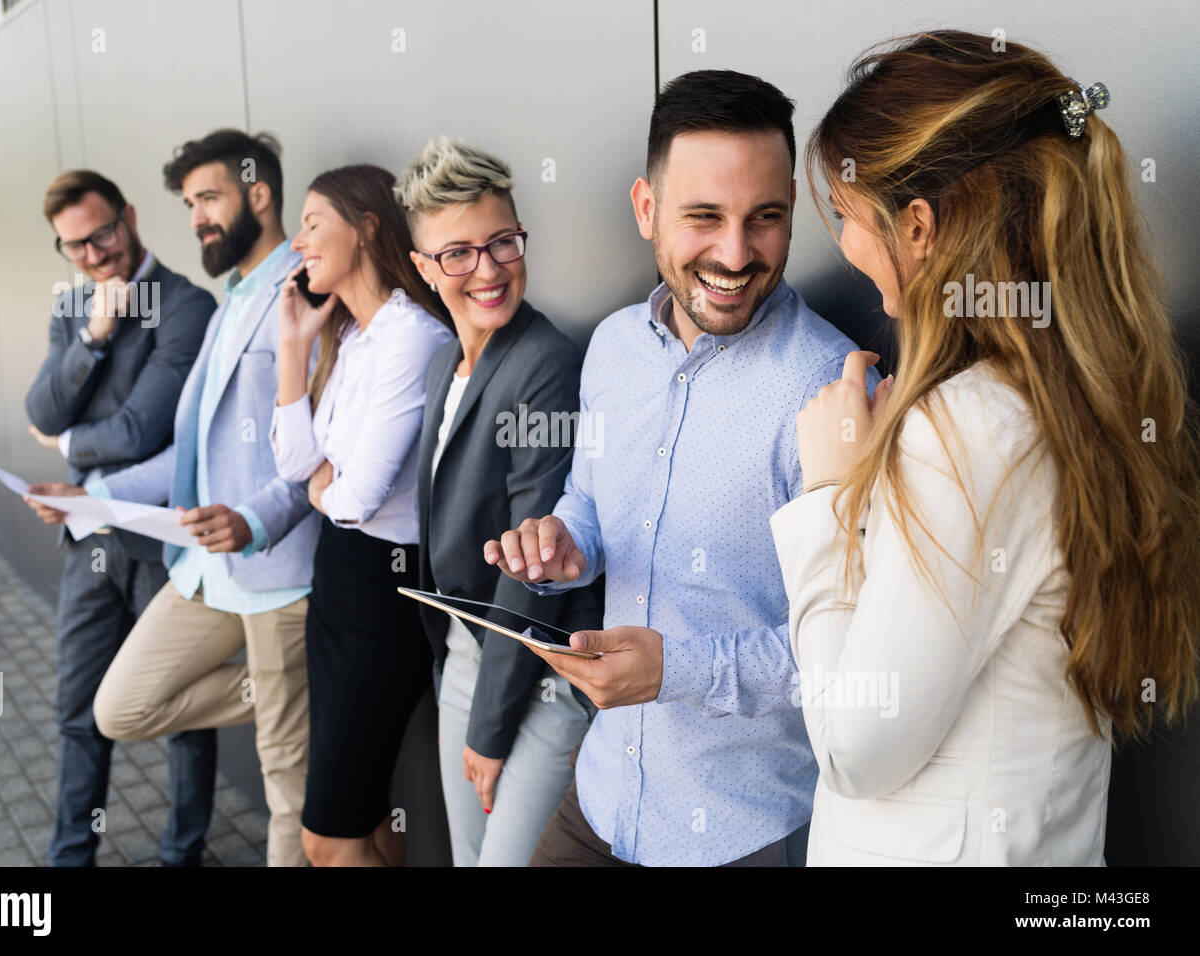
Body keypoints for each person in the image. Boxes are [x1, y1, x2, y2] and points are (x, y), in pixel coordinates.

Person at [766, 30, 1200, 865]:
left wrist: (828, 498)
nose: (844, 246)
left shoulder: (963, 431)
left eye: (849, 217)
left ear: (918, 227)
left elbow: (856, 748)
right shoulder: (1071, 399)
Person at [486, 70, 879, 866]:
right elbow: (588, 497)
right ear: (646, 209)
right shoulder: (612, 349)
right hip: (601, 796)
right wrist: (566, 544)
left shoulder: (838, 393)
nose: (735, 254)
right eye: (704, 216)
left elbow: (853, 654)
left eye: (765, 218)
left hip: (746, 831)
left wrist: (677, 671)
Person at [85, 129, 321, 867]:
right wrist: (90, 495)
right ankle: (304, 686)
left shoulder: (306, 288)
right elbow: (186, 453)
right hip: (207, 573)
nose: (197, 219)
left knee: (286, 786)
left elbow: (326, 447)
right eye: (190, 205)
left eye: (209, 198)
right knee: (121, 706)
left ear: (260, 194)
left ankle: (297, 690)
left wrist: (254, 517)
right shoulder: (230, 304)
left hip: (279, 573)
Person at [398, 136, 604, 866]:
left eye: (502, 243)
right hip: (466, 651)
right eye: (458, 253)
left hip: (535, 671)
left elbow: (532, 563)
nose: (487, 270)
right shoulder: (443, 366)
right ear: (425, 268)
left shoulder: (544, 363)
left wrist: (488, 732)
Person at [23, 169, 217, 867]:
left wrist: (66, 446)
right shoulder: (74, 308)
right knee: (77, 709)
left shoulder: (187, 306)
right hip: (88, 541)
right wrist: (96, 334)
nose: (94, 254)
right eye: (75, 245)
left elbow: (142, 429)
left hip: (159, 539)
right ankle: (70, 857)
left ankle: (183, 854)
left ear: (128, 216)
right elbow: (41, 409)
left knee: (183, 711)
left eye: (102, 233)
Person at [270, 164, 453, 866]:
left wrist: (325, 489)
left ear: (367, 227)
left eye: (312, 223)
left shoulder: (411, 336)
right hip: (337, 583)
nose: (298, 242)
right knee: (370, 817)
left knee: (326, 839)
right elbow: (295, 462)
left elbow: (354, 500)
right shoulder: (350, 336)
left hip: (383, 594)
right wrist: (294, 345)